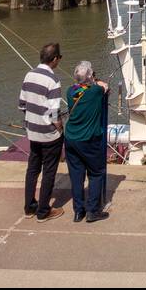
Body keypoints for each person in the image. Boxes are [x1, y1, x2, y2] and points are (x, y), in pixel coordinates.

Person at [18, 42, 66, 221]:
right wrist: (60, 128)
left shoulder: (29, 75)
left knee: (32, 169)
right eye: (59, 58)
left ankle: (29, 207)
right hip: (48, 134)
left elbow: (21, 103)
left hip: (32, 131)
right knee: (49, 171)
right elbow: (54, 113)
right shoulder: (53, 81)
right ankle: (44, 210)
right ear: (54, 59)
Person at [63, 60, 110, 223]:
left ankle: (78, 211)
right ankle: (93, 210)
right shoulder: (95, 91)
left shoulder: (70, 91)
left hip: (70, 138)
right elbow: (104, 87)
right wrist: (95, 80)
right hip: (89, 140)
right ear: (90, 76)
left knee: (76, 175)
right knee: (96, 173)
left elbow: (82, 87)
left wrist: (89, 79)